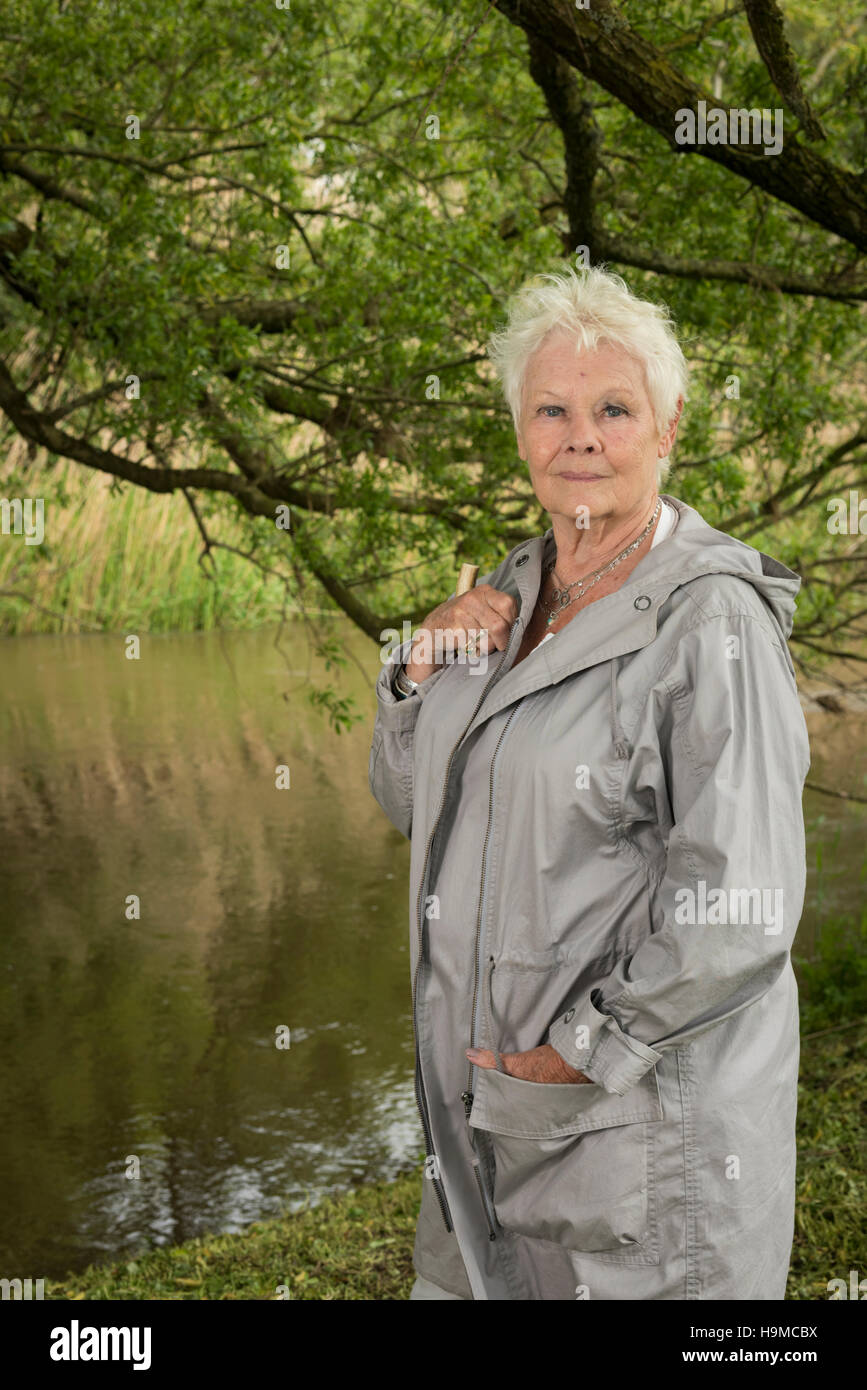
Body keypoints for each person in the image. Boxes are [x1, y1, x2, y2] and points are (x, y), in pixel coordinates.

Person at [368, 265, 811, 1300]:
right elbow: (414, 811)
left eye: (614, 409)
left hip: (640, 1142)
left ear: (668, 427)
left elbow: (742, 907)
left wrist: (583, 1054)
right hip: (488, 1119)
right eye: (551, 409)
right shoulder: (509, 595)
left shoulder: (713, 623)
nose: (581, 436)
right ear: (520, 429)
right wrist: (415, 673)